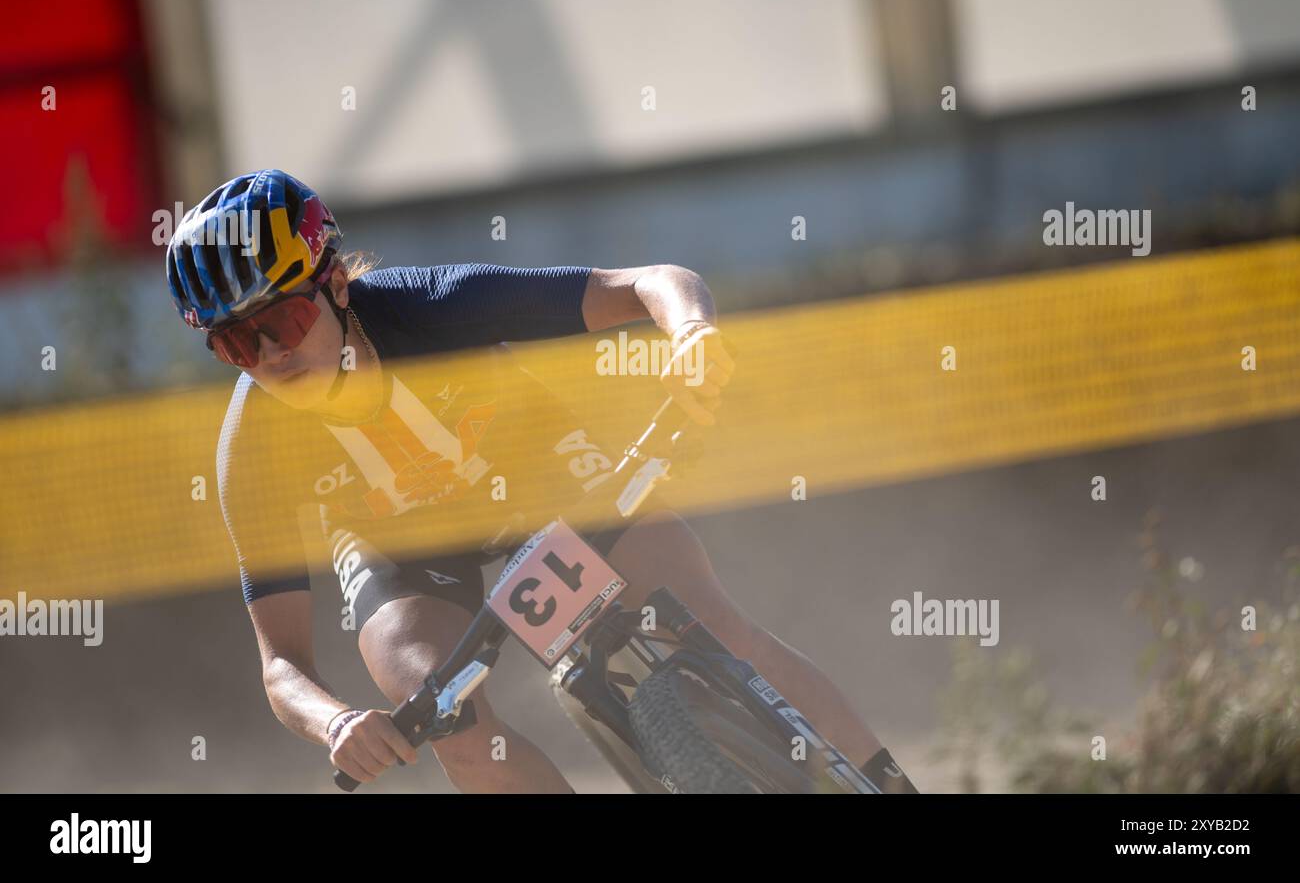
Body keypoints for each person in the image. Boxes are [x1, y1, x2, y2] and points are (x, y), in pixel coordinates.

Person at [166, 168, 916, 793]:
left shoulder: (428, 303)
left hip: (536, 475)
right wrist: (335, 722)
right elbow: (282, 667)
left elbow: (653, 283)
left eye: (284, 324)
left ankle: (886, 784)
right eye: (234, 342)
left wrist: (692, 336)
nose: (268, 355)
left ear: (334, 285)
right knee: (451, 724)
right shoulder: (251, 450)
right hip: (406, 545)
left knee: (711, 621)